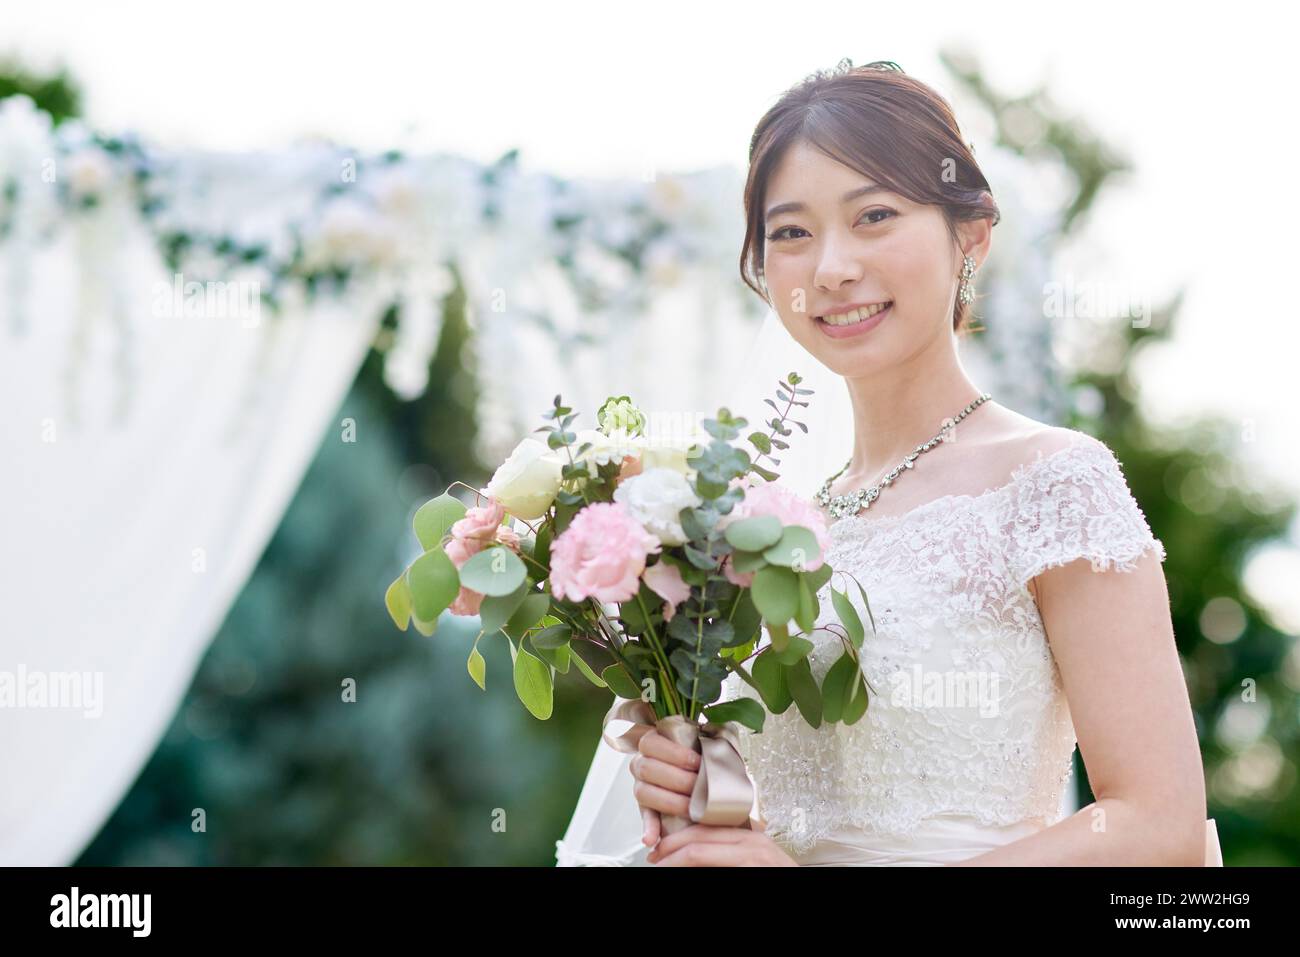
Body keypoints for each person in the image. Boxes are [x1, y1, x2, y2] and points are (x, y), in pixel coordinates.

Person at [560, 60, 1219, 867]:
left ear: (969, 236)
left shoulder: (1054, 482)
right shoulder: (769, 527)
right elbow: (795, 816)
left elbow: (1158, 824)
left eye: (874, 215)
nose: (831, 267)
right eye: (792, 233)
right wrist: (702, 778)